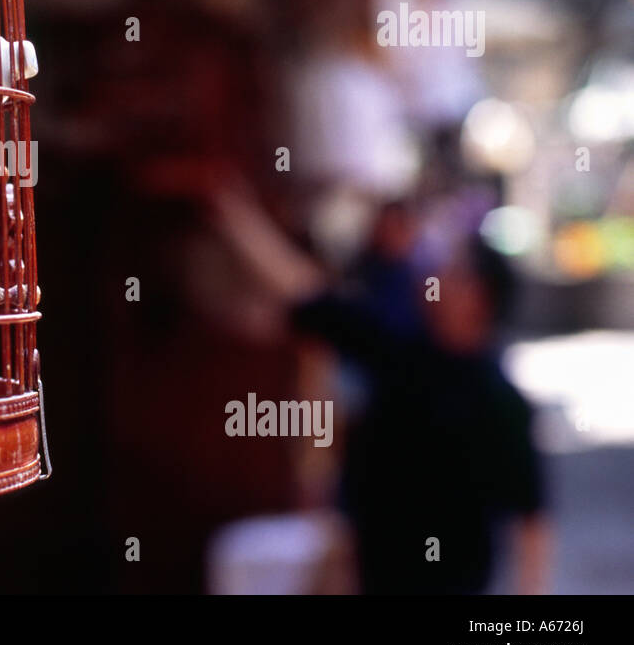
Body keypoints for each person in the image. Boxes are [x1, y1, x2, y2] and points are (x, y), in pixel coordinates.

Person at [205, 177, 550, 594]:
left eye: (452, 271)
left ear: (478, 298)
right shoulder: (401, 348)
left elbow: (531, 517)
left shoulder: (498, 400)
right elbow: (308, 297)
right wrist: (231, 212)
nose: (434, 275)